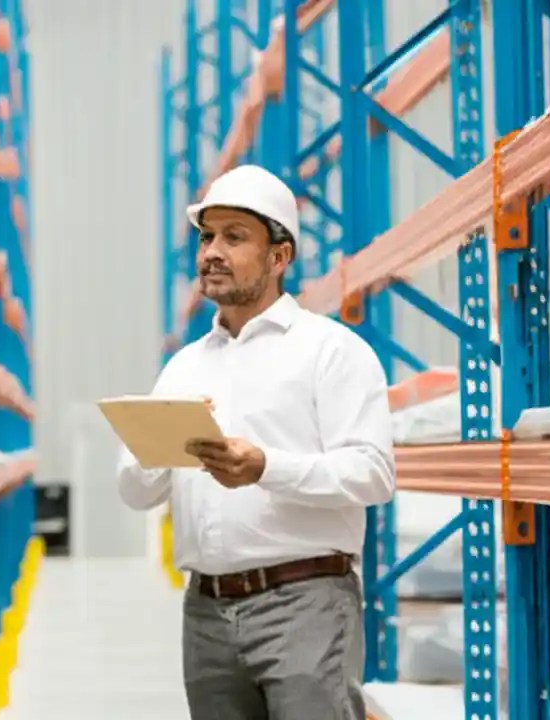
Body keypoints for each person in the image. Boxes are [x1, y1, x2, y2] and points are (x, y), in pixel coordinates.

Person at [117, 165, 395, 720]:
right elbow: (135, 492)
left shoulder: (330, 351)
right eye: (206, 237)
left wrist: (265, 466)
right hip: (207, 612)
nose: (212, 252)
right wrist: (158, 447)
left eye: (234, 237)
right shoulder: (185, 365)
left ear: (279, 256)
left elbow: (372, 474)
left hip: (305, 602)